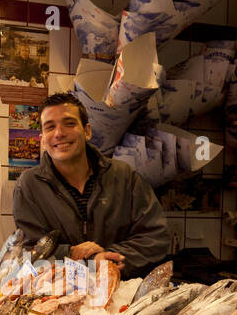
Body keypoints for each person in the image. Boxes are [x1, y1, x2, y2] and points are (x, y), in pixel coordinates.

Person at [11, 93, 169, 275]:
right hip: (57, 296)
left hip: (121, 292)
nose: (59, 133)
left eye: (69, 123)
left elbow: (155, 238)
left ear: (87, 131)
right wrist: (71, 254)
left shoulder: (125, 176)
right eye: (50, 127)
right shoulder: (29, 186)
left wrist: (106, 259)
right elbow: (28, 252)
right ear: (42, 139)